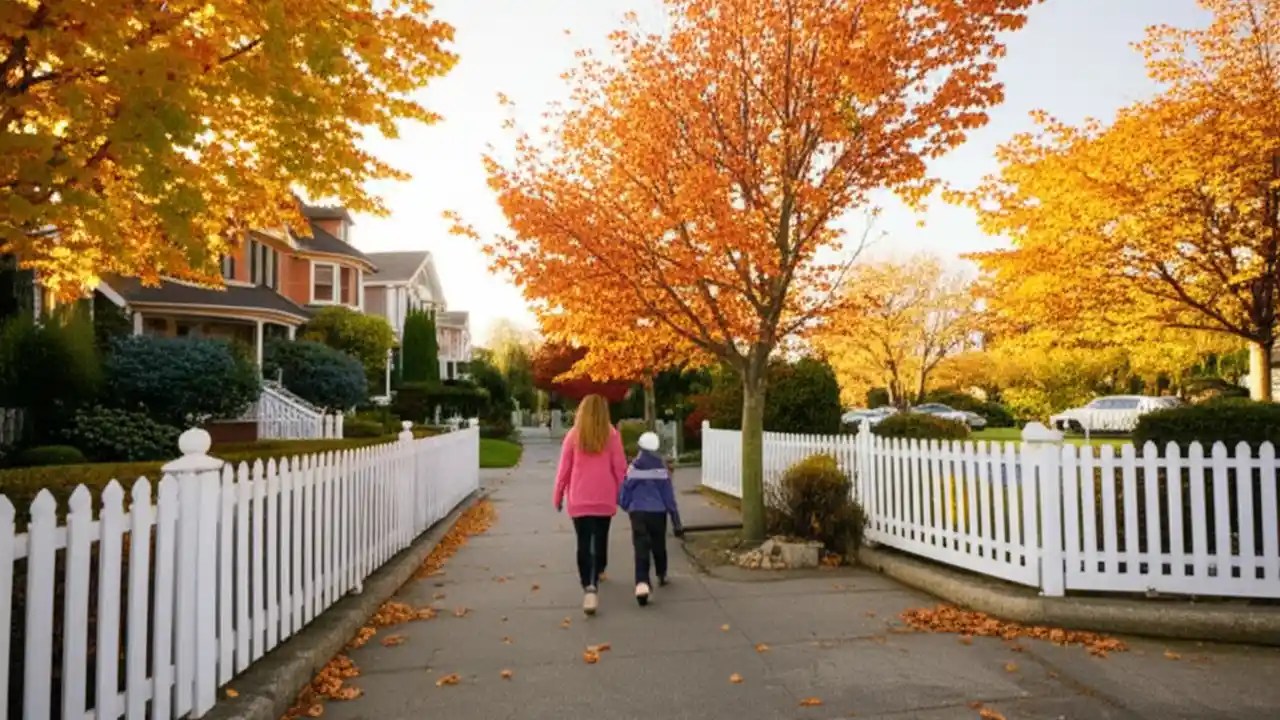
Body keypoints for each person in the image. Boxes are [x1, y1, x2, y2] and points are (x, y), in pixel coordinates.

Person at [553, 394, 627, 615]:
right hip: (604, 496)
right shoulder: (612, 435)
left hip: (579, 497)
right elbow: (620, 468)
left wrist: (558, 495)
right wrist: (625, 494)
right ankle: (601, 568)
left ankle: (589, 584)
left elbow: (563, 469)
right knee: (601, 535)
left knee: (583, 541)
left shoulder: (573, 436)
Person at [618, 431, 683, 606]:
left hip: (638, 511)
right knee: (658, 543)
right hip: (658, 511)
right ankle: (661, 573)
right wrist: (676, 520)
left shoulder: (633, 468)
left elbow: (625, 490)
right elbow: (669, 497)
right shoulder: (661, 470)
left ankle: (642, 582)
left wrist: (625, 505)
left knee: (641, 546)